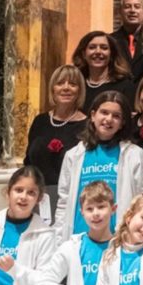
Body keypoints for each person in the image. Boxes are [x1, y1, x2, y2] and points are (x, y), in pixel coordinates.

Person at [56, 91, 143, 245]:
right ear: (93, 115)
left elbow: (141, 199)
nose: (109, 119)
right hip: (79, 238)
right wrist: (59, 241)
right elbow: (63, 202)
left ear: (122, 122)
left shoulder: (133, 154)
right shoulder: (74, 155)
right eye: (104, 112)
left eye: (116, 116)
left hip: (118, 239)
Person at [24, 65, 87, 220]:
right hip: (38, 197)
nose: (66, 88)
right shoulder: (40, 121)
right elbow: (28, 162)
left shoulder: (87, 125)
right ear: (53, 89)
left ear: (79, 90)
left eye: (72, 84)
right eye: (60, 83)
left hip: (71, 200)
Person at [72, 30, 135, 113]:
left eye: (104, 48)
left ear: (111, 54)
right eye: (92, 47)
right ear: (84, 54)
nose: (98, 52)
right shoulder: (76, 85)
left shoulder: (125, 86)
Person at [111, 0, 143, 67]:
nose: (132, 10)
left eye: (137, 7)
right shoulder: (111, 40)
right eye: (127, 7)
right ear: (119, 12)